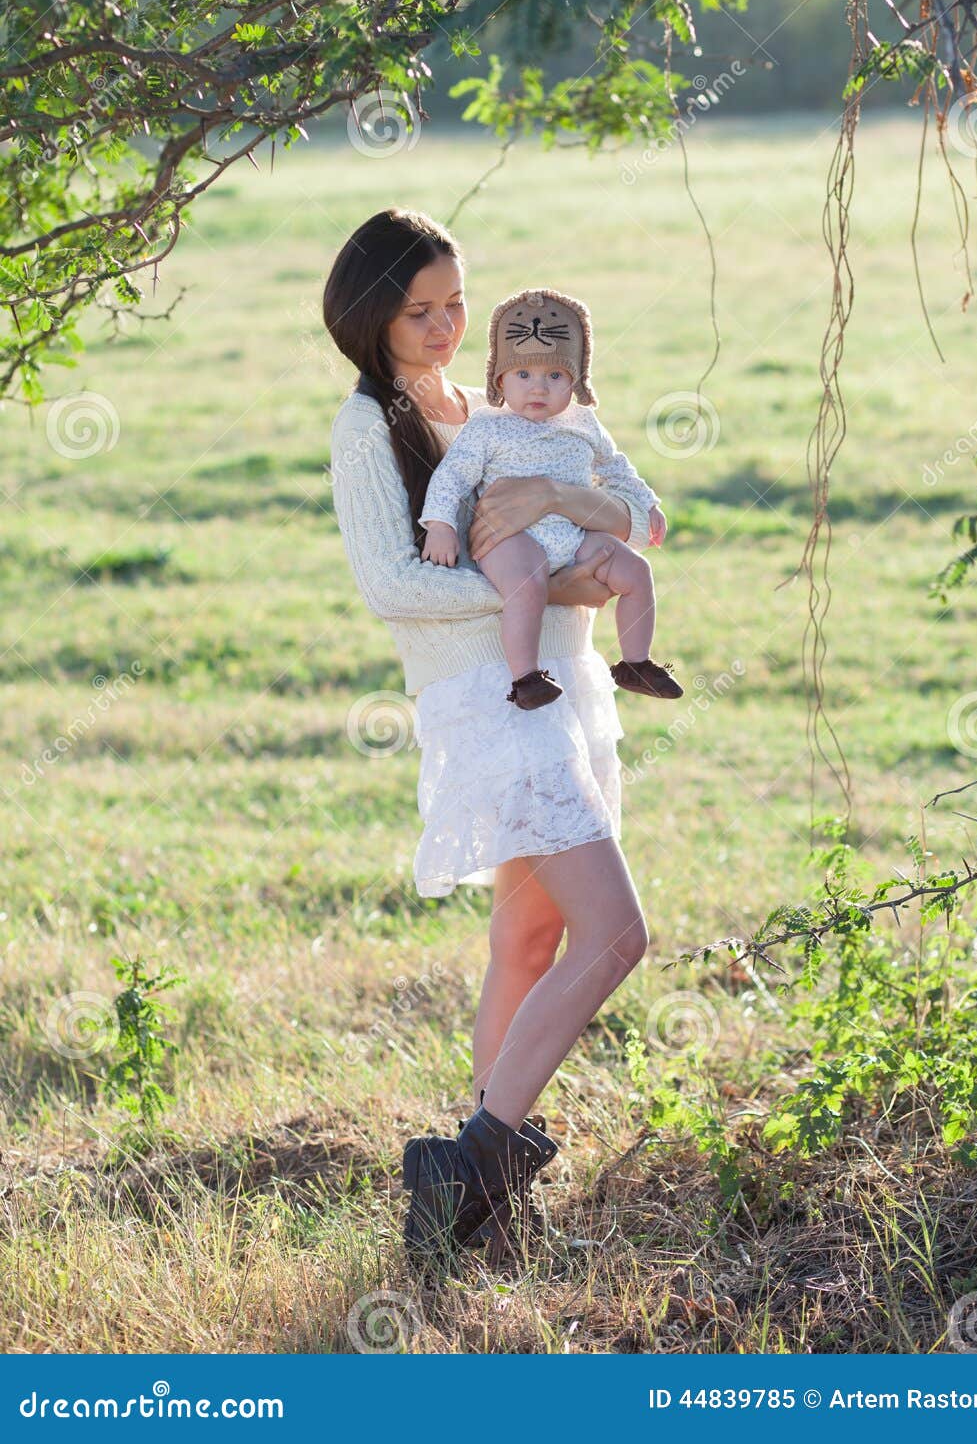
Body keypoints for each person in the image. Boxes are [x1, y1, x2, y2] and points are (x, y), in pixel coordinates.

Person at [324, 207, 654, 1270]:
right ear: (371, 316)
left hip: (568, 685)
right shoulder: (368, 426)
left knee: (529, 939)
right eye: (418, 310)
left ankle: (477, 1212)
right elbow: (389, 582)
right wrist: (537, 582)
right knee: (615, 934)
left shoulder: (503, 403)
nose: (444, 326)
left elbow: (620, 512)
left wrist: (572, 522)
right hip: (490, 700)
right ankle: (474, 1159)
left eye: (456, 303)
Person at [418, 284, 683, 709]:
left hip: (573, 535)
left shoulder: (583, 422)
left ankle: (635, 662)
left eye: (554, 376)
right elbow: (452, 478)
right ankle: (525, 677)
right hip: (509, 539)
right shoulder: (488, 426)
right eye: (523, 375)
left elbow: (615, 465)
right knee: (528, 579)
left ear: (576, 381)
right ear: (500, 378)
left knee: (636, 571)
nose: (538, 388)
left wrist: (647, 502)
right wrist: (440, 525)